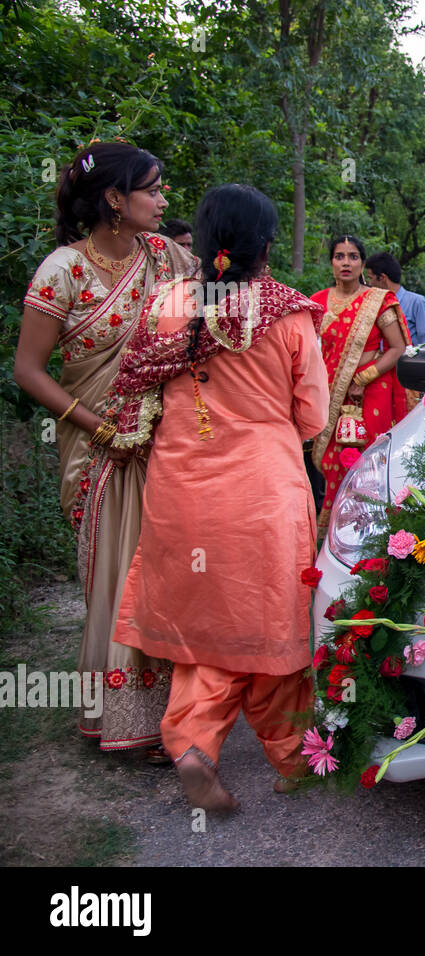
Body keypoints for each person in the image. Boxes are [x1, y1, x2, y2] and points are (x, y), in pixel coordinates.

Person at [109, 184, 329, 810]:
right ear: (264, 242)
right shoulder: (288, 310)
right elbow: (311, 413)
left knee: (204, 627)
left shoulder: (169, 302)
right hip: (262, 490)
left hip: (181, 488)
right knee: (272, 628)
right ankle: (291, 759)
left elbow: (140, 393)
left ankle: (193, 742)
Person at [13, 142, 195, 758]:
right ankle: (123, 714)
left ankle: (177, 715)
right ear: (116, 199)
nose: (164, 199)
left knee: (166, 569)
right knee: (117, 573)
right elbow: (29, 371)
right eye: (153, 188)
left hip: (163, 443)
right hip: (98, 447)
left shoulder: (167, 257)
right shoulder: (62, 269)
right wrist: (99, 427)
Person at [311, 236, 414, 532]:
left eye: (353, 257)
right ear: (331, 262)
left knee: (366, 466)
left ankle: (371, 534)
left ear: (362, 264)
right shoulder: (316, 302)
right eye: (340, 256)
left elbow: (397, 348)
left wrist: (363, 376)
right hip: (328, 395)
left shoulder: (377, 300)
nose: (346, 262)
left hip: (368, 396)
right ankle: (330, 534)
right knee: (331, 468)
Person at [364, 251, 425, 346]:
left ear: (382, 278)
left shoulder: (417, 303)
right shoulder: (374, 306)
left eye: (370, 278)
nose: (369, 283)